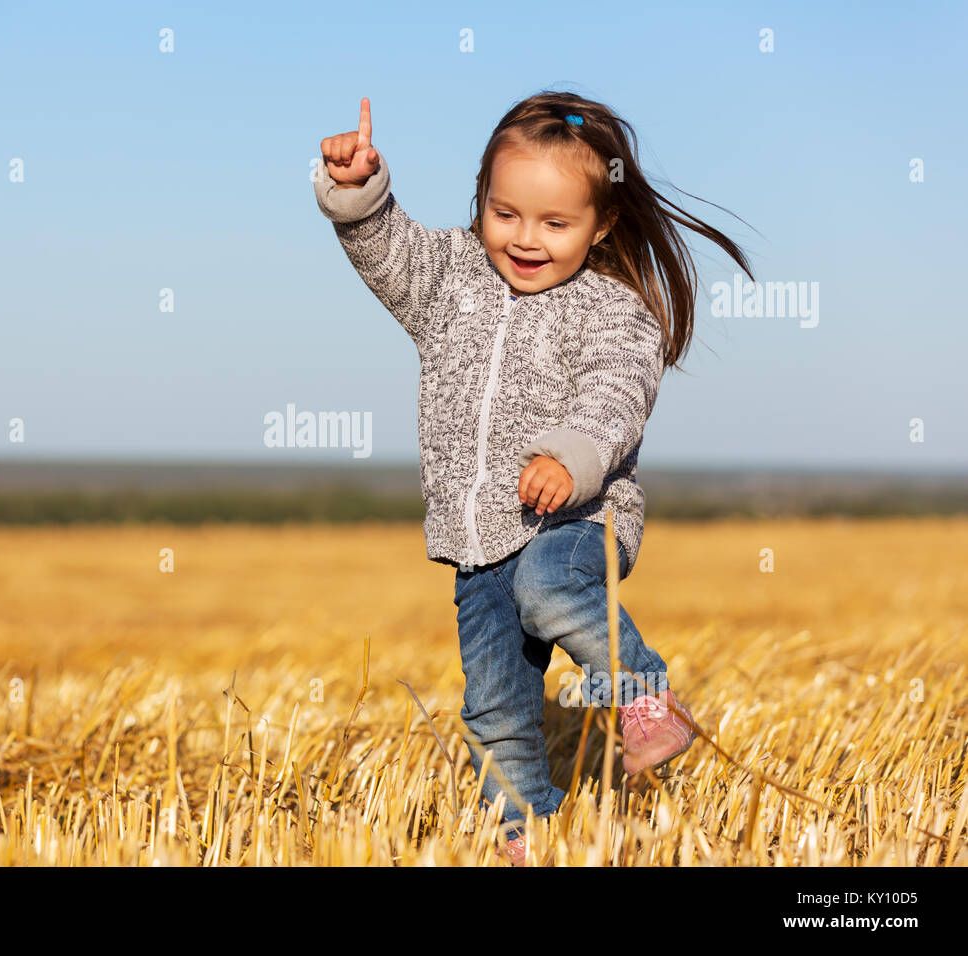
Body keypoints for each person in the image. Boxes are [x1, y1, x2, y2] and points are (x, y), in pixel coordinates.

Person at [313, 92, 756, 865]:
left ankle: (644, 696)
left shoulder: (615, 312)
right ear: (481, 200)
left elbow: (616, 397)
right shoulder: (450, 281)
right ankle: (522, 832)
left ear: (603, 224)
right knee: (494, 706)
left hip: (577, 523)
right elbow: (387, 251)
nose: (525, 239)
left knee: (549, 591)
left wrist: (571, 459)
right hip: (477, 540)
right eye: (505, 213)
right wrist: (357, 194)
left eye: (556, 224)